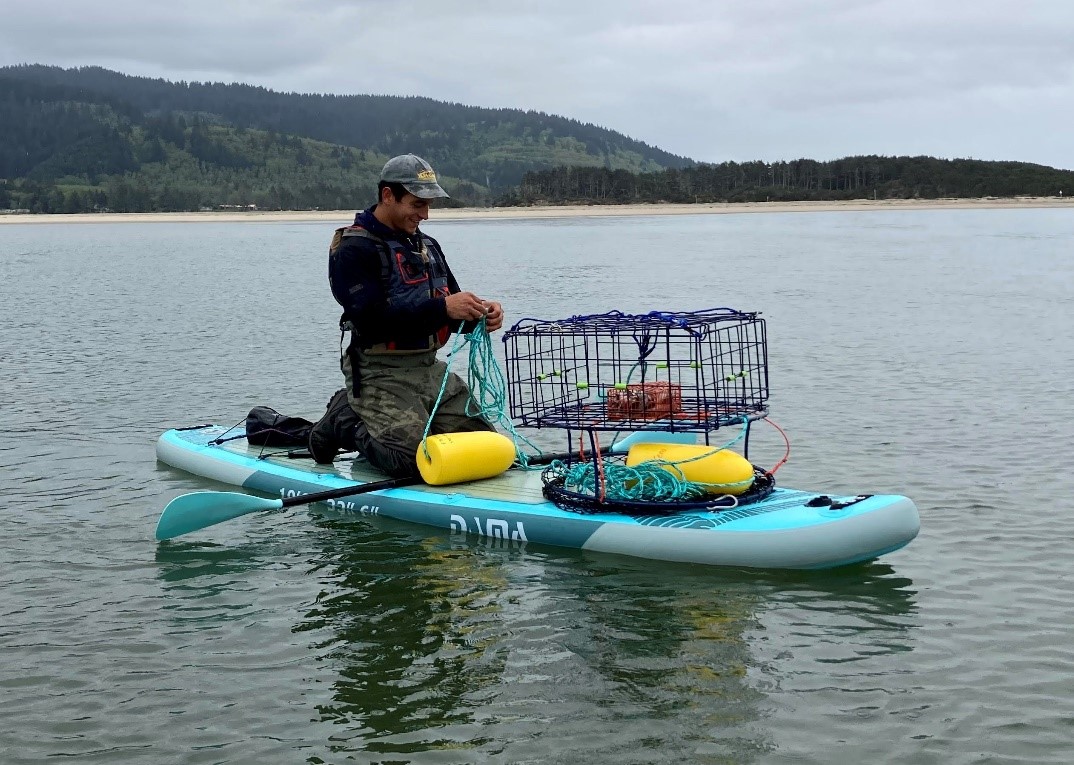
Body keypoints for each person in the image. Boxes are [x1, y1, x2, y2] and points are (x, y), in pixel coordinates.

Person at [309, 154, 504, 478]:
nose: (425, 214)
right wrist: (444, 308)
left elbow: (449, 312)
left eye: (428, 205)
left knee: (487, 447)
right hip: (378, 372)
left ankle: (406, 420)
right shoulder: (354, 249)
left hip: (428, 370)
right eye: (417, 204)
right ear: (388, 196)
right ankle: (345, 419)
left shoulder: (429, 246)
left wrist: (478, 316)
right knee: (409, 462)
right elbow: (371, 321)